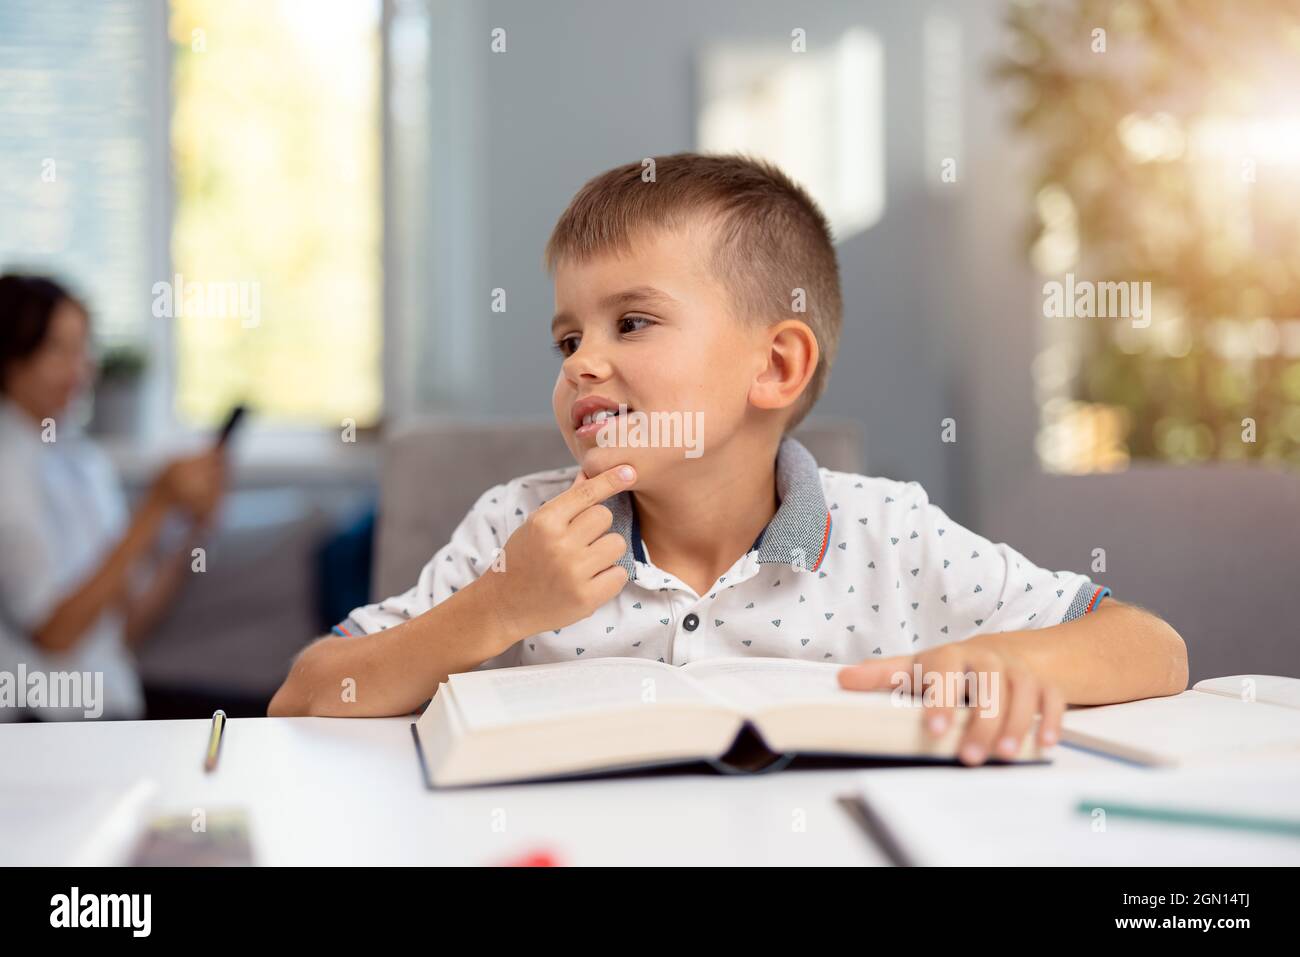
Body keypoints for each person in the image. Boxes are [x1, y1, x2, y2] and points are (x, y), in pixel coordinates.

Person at [269, 154, 1187, 766]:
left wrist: (995, 658)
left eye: (631, 321)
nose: (583, 360)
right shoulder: (520, 530)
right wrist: (498, 608)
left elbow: (1153, 647)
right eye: (566, 338)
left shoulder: (888, 533)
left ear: (775, 365)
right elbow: (306, 699)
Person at [0, 274, 225, 720]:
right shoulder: (8, 467)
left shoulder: (86, 463)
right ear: (11, 358)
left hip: (113, 706)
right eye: (57, 350)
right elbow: (56, 634)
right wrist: (156, 505)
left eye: (83, 349)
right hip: (42, 720)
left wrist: (193, 528)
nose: (80, 370)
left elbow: (127, 626)